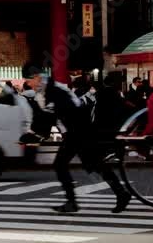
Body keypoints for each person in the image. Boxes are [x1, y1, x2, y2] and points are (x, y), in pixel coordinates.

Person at [23, 63, 131, 214]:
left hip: (79, 130)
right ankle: (121, 194)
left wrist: (39, 131)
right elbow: (45, 117)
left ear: (37, 77)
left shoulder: (55, 90)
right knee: (96, 165)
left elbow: (64, 112)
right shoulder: (44, 91)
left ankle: (74, 202)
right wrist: (35, 133)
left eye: (28, 81)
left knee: (67, 165)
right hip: (75, 132)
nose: (27, 84)